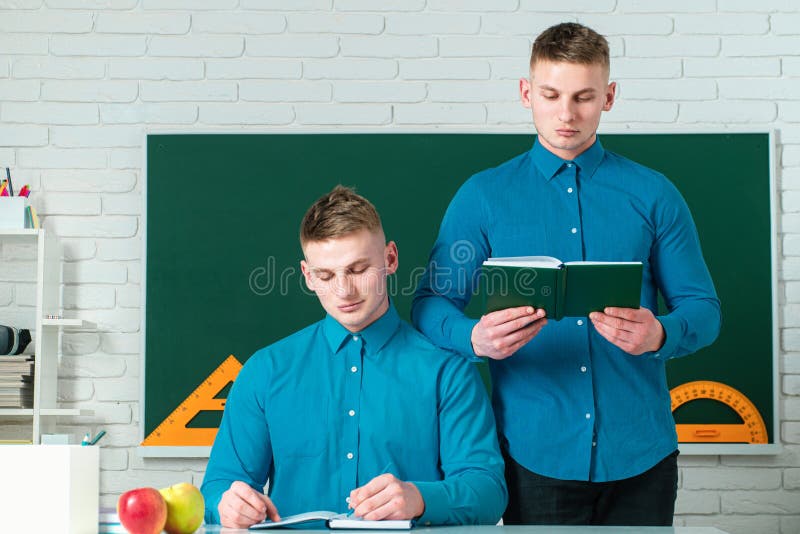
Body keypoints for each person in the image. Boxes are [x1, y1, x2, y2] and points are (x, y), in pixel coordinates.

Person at [411, 22, 721, 526]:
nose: (566, 114)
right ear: (525, 92)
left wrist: (662, 331)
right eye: (551, 94)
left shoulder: (655, 194)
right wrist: (474, 337)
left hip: (642, 452)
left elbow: (704, 309)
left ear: (609, 97)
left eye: (584, 97)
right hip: (531, 455)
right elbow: (429, 304)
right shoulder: (483, 196)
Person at [201, 185, 507, 528]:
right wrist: (226, 504)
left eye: (358, 269)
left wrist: (419, 499)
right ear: (307, 276)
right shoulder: (265, 371)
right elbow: (217, 487)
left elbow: (488, 491)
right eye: (326, 275)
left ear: (390, 259)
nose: (344, 291)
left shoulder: (448, 372)